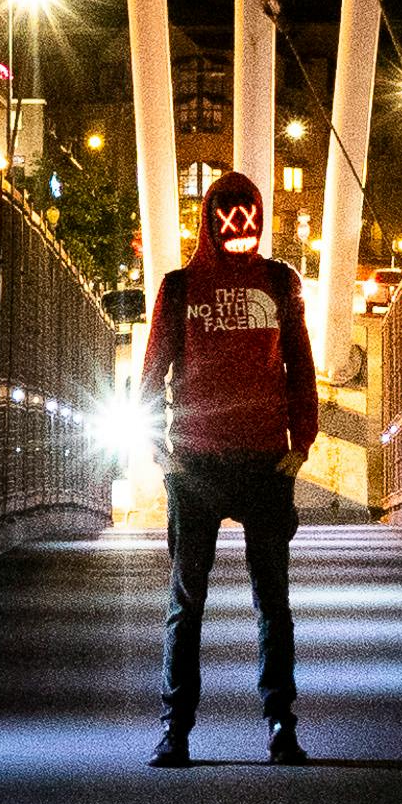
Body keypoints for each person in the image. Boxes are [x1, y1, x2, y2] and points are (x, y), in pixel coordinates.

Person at [136, 168, 321, 763]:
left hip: (267, 462)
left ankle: (279, 725)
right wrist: (161, 453)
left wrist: (301, 444)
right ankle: (176, 729)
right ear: (211, 221)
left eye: (249, 215)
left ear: (259, 217)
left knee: (274, 600)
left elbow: (300, 365)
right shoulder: (181, 287)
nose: (240, 226)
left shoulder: (279, 282)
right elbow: (152, 370)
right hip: (196, 465)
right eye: (229, 216)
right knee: (186, 600)